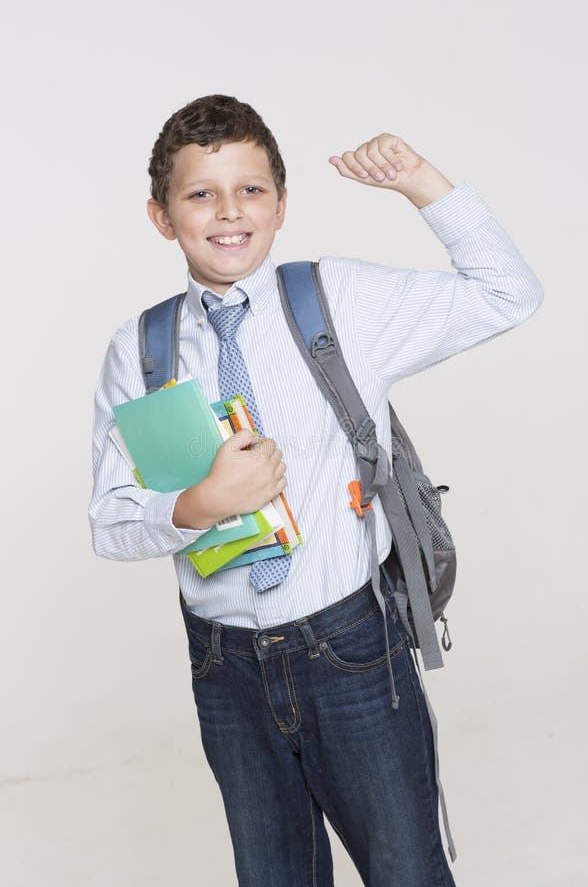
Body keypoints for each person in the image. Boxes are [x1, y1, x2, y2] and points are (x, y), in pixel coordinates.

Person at [88, 93, 544, 886]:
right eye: (200, 193)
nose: (228, 212)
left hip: (350, 652)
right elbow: (111, 522)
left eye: (251, 189)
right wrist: (202, 504)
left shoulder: (339, 301)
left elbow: (510, 294)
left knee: (407, 870)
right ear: (163, 217)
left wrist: (420, 181)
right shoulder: (140, 349)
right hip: (223, 669)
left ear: (282, 205)